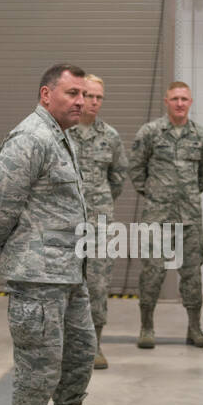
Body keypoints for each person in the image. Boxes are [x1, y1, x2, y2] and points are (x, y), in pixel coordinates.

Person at [0, 63, 119, 405]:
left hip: (69, 270)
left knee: (78, 354)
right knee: (38, 362)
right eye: (71, 93)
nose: (80, 101)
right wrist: (0, 245)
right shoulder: (31, 137)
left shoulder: (62, 137)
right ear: (46, 95)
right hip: (38, 274)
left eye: (83, 94)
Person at [129, 81, 203, 348]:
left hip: (189, 219)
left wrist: (184, 196)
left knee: (192, 275)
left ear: (190, 102)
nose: (179, 103)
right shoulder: (150, 132)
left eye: (184, 99)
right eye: (174, 98)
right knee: (152, 274)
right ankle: (146, 326)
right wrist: (156, 195)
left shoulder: (201, 135)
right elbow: (136, 171)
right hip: (157, 218)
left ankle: (194, 327)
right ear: (166, 101)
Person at [67, 74, 127, 369]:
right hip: (65, 222)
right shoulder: (62, 133)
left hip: (100, 225)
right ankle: (64, 344)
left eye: (98, 97)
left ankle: (94, 344)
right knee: (64, 282)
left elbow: (118, 178)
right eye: (88, 95)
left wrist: (98, 206)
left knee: (98, 285)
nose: (92, 102)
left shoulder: (111, 136)